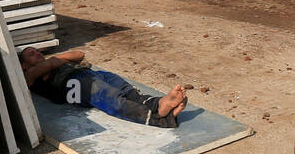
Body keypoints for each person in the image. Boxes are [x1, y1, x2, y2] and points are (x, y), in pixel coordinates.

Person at [20, 46, 186, 128]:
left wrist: (54, 61)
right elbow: (54, 62)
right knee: (113, 99)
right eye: (31, 54)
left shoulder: (52, 61)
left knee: (128, 91)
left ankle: (160, 104)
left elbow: (80, 54)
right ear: (24, 65)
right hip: (74, 84)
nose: (38, 53)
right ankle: (161, 119)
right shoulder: (28, 75)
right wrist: (53, 62)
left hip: (93, 74)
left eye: (37, 51)